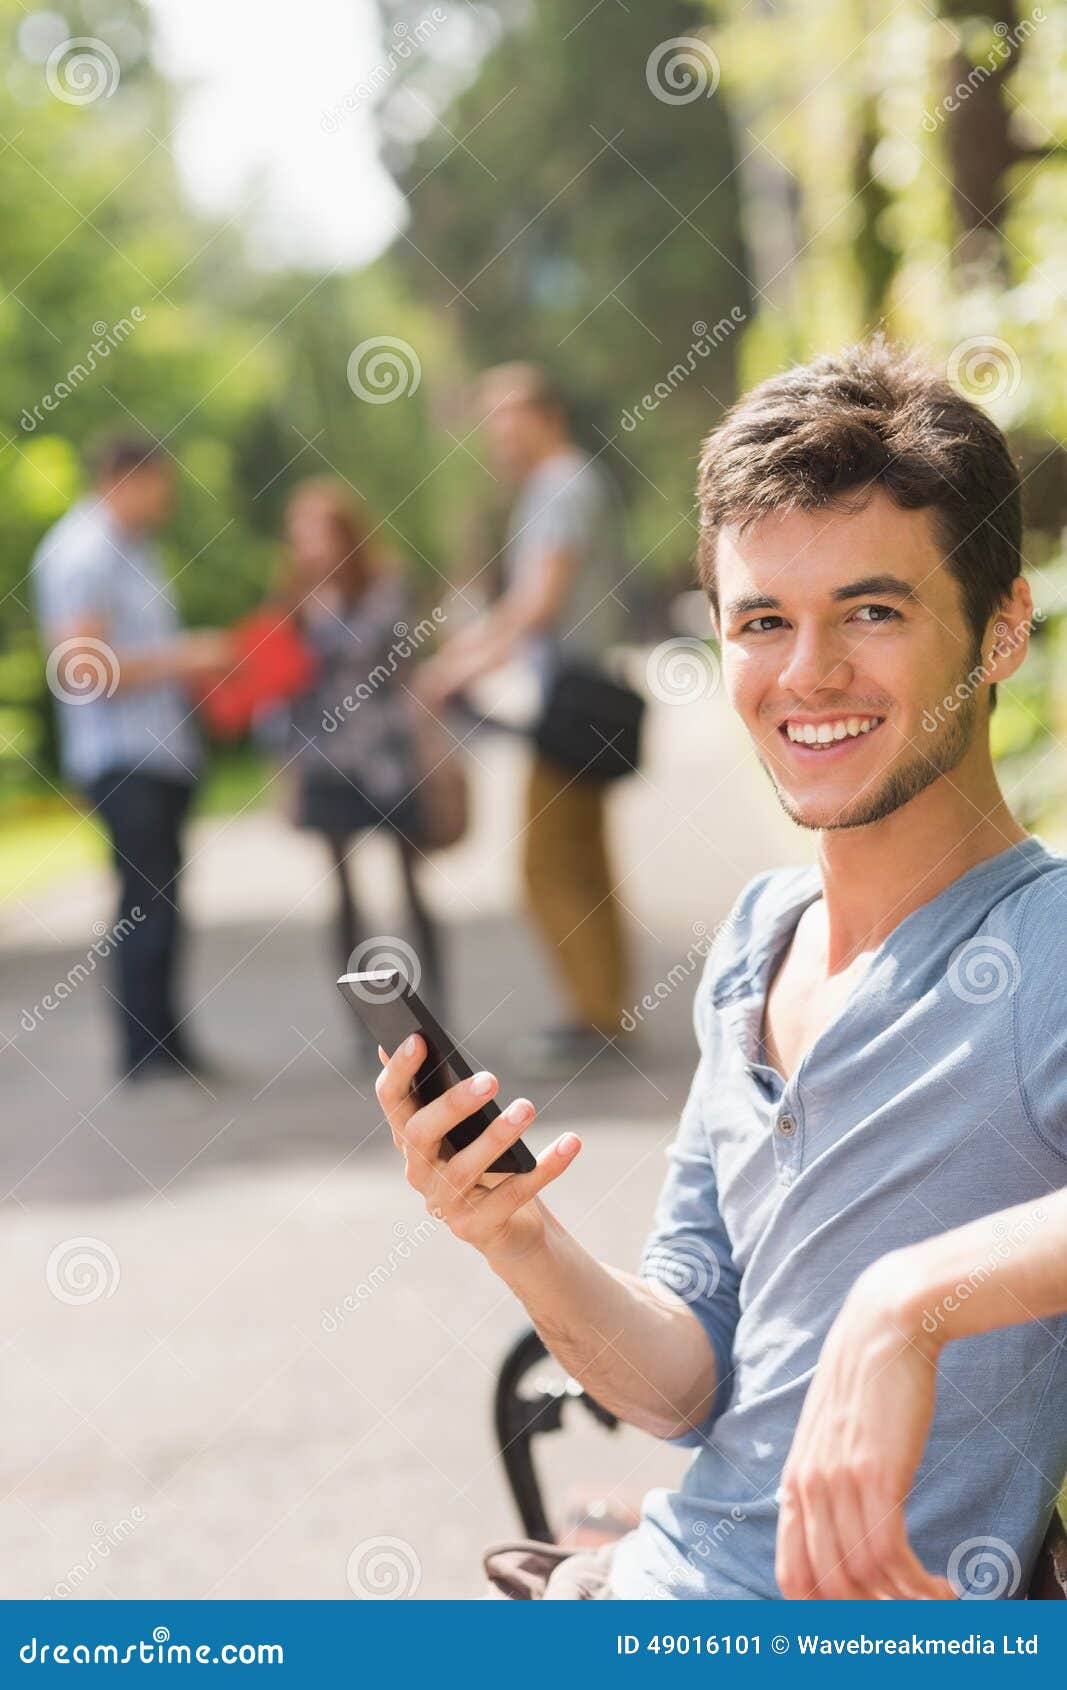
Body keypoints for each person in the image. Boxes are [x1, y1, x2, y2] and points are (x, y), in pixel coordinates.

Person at [376, 339, 1067, 1600]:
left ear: (1002, 627)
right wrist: (516, 1235)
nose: (806, 674)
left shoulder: (1044, 945)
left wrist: (907, 1301)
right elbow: (682, 1384)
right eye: (761, 621)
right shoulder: (756, 941)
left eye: (871, 610)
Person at [416, 364, 629, 1076]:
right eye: (491, 422)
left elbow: (538, 601)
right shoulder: (567, 482)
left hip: (574, 697)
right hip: (581, 691)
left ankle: (591, 1018)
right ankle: (605, 1008)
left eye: (509, 419)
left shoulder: (558, 486)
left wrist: (457, 666)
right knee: (584, 861)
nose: (497, 437)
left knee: (545, 868)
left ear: (546, 415)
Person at [31, 433, 233, 1085]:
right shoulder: (80, 552)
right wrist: (186, 656)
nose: (166, 499)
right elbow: (82, 667)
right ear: (125, 476)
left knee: (163, 902)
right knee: (144, 904)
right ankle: (144, 1055)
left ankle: (168, 1043)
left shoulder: (136, 551)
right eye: (158, 484)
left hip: (161, 753)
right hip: (122, 758)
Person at [280, 477, 443, 1027]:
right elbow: (280, 684)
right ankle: (366, 1019)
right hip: (324, 762)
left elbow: (388, 655)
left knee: (410, 882)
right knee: (344, 898)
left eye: (319, 533)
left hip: (385, 757)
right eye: (300, 535)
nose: (309, 546)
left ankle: (435, 1006)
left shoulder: (382, 587)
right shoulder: (293, 600)